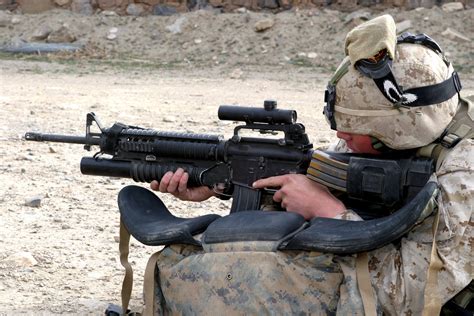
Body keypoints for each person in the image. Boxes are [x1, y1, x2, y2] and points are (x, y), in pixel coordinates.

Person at [149, 15, 473, 315]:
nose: (339, 134)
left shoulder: (464, 177)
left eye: (353, 128)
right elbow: (323, 180)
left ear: (400, 130)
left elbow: (411, 296)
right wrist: (224, 182)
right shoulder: (384, 147)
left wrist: (329, 213)